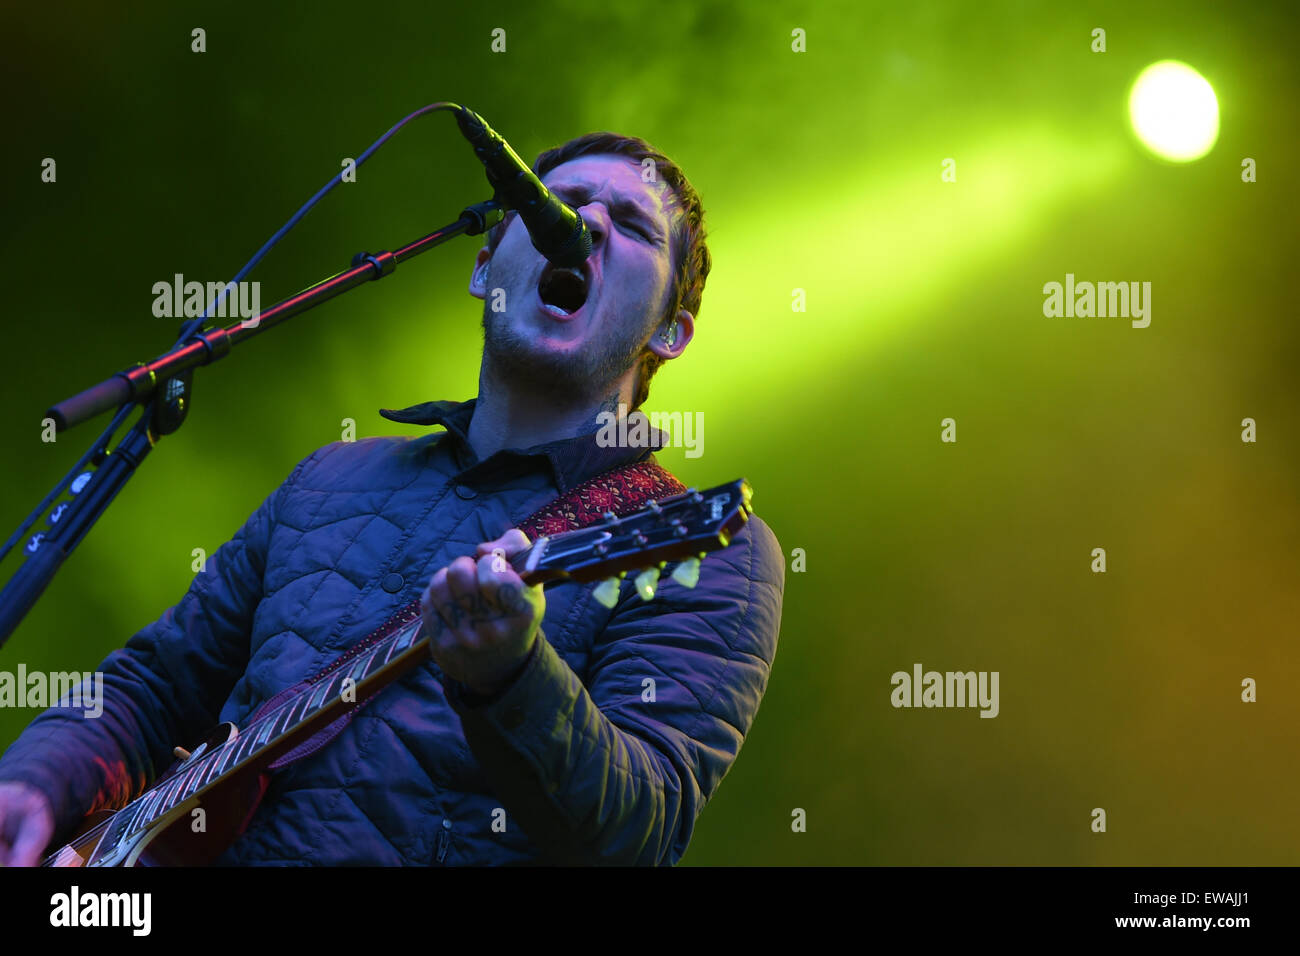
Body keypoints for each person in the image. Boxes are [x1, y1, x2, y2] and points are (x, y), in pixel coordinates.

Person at [0, 132, 785, 866]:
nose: (584, 223)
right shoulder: (330, 479)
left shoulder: (719, 555)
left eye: (634, 226)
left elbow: (638, 832)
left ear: (671, 333)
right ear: (484, 268)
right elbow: (155, 684)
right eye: (563, 200)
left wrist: (512, 678)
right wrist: (39, 781)